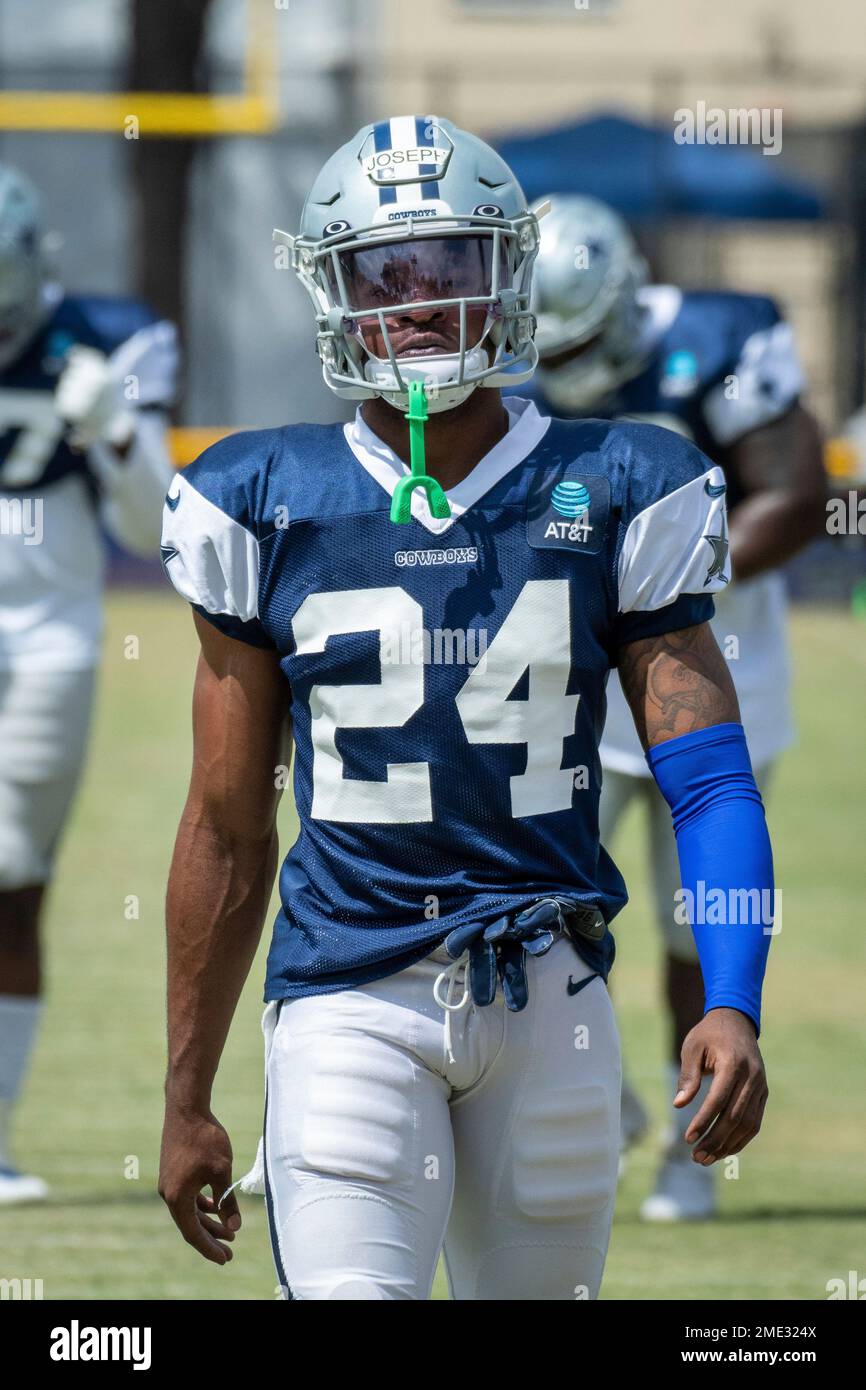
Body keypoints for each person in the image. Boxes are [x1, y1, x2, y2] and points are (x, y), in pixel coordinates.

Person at [158, 116, 773, 1300]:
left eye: (449, 267)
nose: (418, 302)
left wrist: (733, 996)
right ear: (330, 293)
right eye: (383, 272)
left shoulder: (620, 482)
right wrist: (185, 1094)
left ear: (507, 277)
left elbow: (705, 777)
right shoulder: (264, 497)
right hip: (347, 993)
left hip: (550, 994)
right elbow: (226, 827)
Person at [528, 194, 825, 1221]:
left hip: (709, 664)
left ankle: (685, 1147)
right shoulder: (501, 351)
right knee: (538, 911)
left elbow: (794, 493)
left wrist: (656, 575)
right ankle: (597, 1105)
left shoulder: (718, 334)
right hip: (568, 681)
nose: (557, 367)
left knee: (693, 933)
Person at [0, 164, 177, 1203]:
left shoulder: (109, 336)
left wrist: (115, 430)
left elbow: (152, 530)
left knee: (11, 886)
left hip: (47, 642)